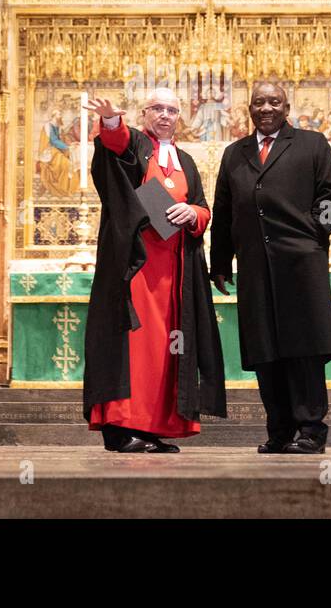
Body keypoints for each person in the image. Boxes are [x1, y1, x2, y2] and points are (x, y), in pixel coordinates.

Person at [81, 87, 226, 453]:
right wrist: (112, 120)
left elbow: (202, 207)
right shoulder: (136, 148)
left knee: (168, 350)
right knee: (133, 347)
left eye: (172, 110)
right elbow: (116, 144)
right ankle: (122, 427)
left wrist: (194, 215)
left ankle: (151, 428)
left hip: (176, 275)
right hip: (135, 266)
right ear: (145, 114)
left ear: (180, 117)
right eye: (157, 109)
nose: (165, 115)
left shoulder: (187, 162)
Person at [210, 80, 331, 454]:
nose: (266, 108)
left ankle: (310, 429)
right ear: (249, 110)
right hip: (254, 267)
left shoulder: (311, 144)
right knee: (266, 351)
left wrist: (319, 231)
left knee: (303, 348)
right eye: (258, 103)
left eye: (274, 102)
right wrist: (220, 261)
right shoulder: (234, 154)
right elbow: (223, 210)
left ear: (286, 107)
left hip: (301, 264)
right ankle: (280, 430)